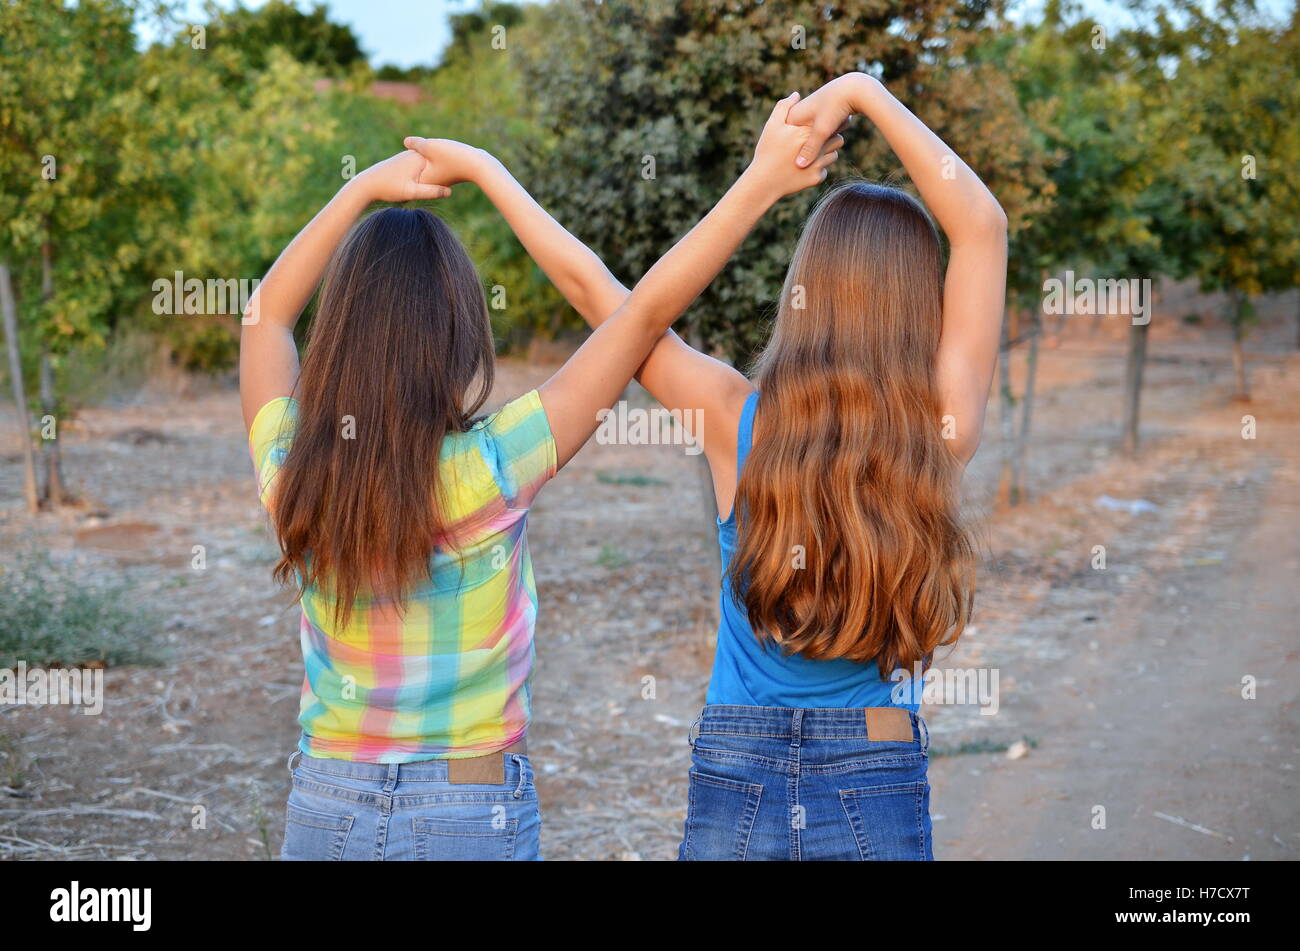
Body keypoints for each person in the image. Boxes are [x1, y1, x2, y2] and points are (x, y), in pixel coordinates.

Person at [416, 71, 1006, 860]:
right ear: (919, 303)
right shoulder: (941, 424)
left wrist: (489, 170)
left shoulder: (734, 416)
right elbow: (983, 228)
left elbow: (602, 296)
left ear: (808, 289)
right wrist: (865, 93)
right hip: (876, 752)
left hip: (741, 752)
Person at [239, 94, 837, 860]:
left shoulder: (292, 469)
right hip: (471, 805)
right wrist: (758, 181)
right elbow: (639, 314)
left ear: (341, 331)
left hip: (327, 803)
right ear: (458, 334)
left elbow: (263, 319)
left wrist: (359, 192)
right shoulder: (497, 465)